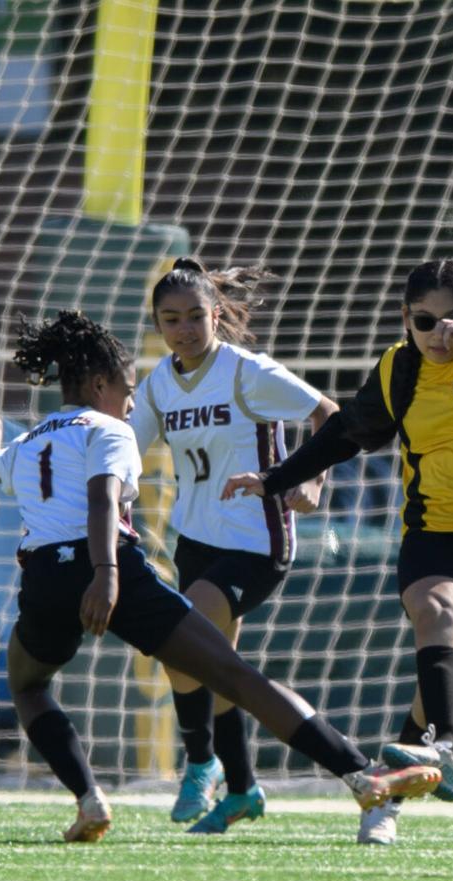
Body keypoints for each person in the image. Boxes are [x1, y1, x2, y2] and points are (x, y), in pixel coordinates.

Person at [0, 310, 438, 842]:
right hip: (109, 568)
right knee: (233, 675)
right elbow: (102, 498)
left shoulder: (32, 438)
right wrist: (106, 574)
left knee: (27, 684)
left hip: (44, 580)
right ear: (99, 384)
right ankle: (360, 774)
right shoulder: (109, 430)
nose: (132, 402)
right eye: (126, 389)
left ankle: (90, 800)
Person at [221, 259, 453, 846]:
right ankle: (447, 751)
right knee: (438, 614)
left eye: (451, 319)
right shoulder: (399, 368)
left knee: (429, 699)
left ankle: (386, 796)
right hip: (438, 530)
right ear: (405, 318)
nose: (436, 333)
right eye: (422, 321)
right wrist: (276, 478)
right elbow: (346, 431)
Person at [132, 257, 336, 834]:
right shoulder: (157, 385)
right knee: (209, 666)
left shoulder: (246, 371)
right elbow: (126, 450)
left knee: (182, 641)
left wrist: (312, 479)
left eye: (196, 316)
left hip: (255, 540)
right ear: (158, 326)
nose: (185, 329)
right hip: (194, 541)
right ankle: (243, 789)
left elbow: (329, 415)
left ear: (216, 315)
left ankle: (200, 764)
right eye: (171, 320)